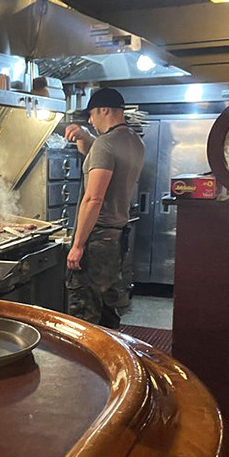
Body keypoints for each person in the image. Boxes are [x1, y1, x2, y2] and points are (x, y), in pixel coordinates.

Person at [64, 87, 144, 329]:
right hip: (116, 237)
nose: (90, 120)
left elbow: (94, 199)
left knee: (84, 316)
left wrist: (78, 245)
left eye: (92, 115)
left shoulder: (106, 144)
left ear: (104, 110)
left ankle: (84, 367)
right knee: (107, 308)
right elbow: (98, 153)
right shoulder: (133, 141)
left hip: (97, 238)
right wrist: (84, 135)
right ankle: (112, 362)